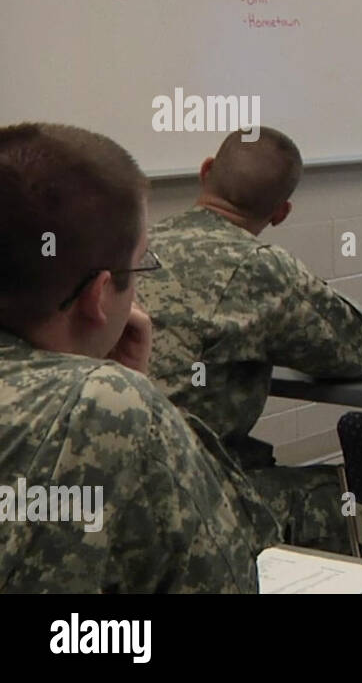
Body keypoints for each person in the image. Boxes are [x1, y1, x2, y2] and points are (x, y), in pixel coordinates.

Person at [0, 123, 279, 593]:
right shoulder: (107, 404)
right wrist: (139, 392)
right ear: (100, 294)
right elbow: (234, 573)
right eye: (141, 264)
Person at [134, 127, 362, 553]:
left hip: (112, 475)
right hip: (185, 491)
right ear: (281, 212)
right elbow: (357, 354)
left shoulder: (136, 244)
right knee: (345, 498)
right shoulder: (259, 267)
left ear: (205, 171)